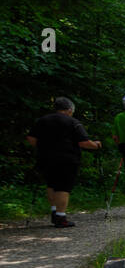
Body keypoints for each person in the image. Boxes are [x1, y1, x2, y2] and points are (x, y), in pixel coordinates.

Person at [25, 97, 102, 228]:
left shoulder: (42, 120)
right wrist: (96, 145)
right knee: (63, 187)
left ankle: (54, 211)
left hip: (46, 157)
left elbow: (31, 138)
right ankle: (61, 217)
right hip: (67, 158)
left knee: (51, 184)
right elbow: (83, 142)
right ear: (69, 110)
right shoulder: (73, 122)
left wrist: (44, 146)